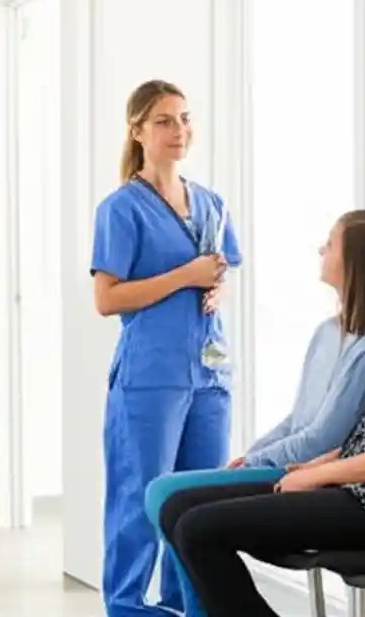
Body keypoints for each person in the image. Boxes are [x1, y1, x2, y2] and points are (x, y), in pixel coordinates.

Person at [158, 178, 365, 617]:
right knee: (178, 508)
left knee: (200, 530)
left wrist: (320, 476)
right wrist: (317, 466)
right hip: (354, 489)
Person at [142, 209, 365, 616]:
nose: (321, 248)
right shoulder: (327, 332)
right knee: (163, 492)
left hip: (314, 473)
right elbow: (296, 419)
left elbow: (323, 439)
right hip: (288, 462)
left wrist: (259, 461)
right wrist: (250, 456)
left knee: (171, 500)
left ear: (356, 261)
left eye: (331, 242)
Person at [92, 80, 242, 617]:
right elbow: (107, 299)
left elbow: (220, 268)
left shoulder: (210, 201)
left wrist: (216, 283)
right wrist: (186, 276)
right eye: (164, 121)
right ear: (137, 131)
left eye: (184, 118)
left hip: (209, 375)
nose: (179, 130)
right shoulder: (121, 209)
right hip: (150, 377)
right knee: (140, 501)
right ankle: (129, 607)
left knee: (196, 504)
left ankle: (189, 607)